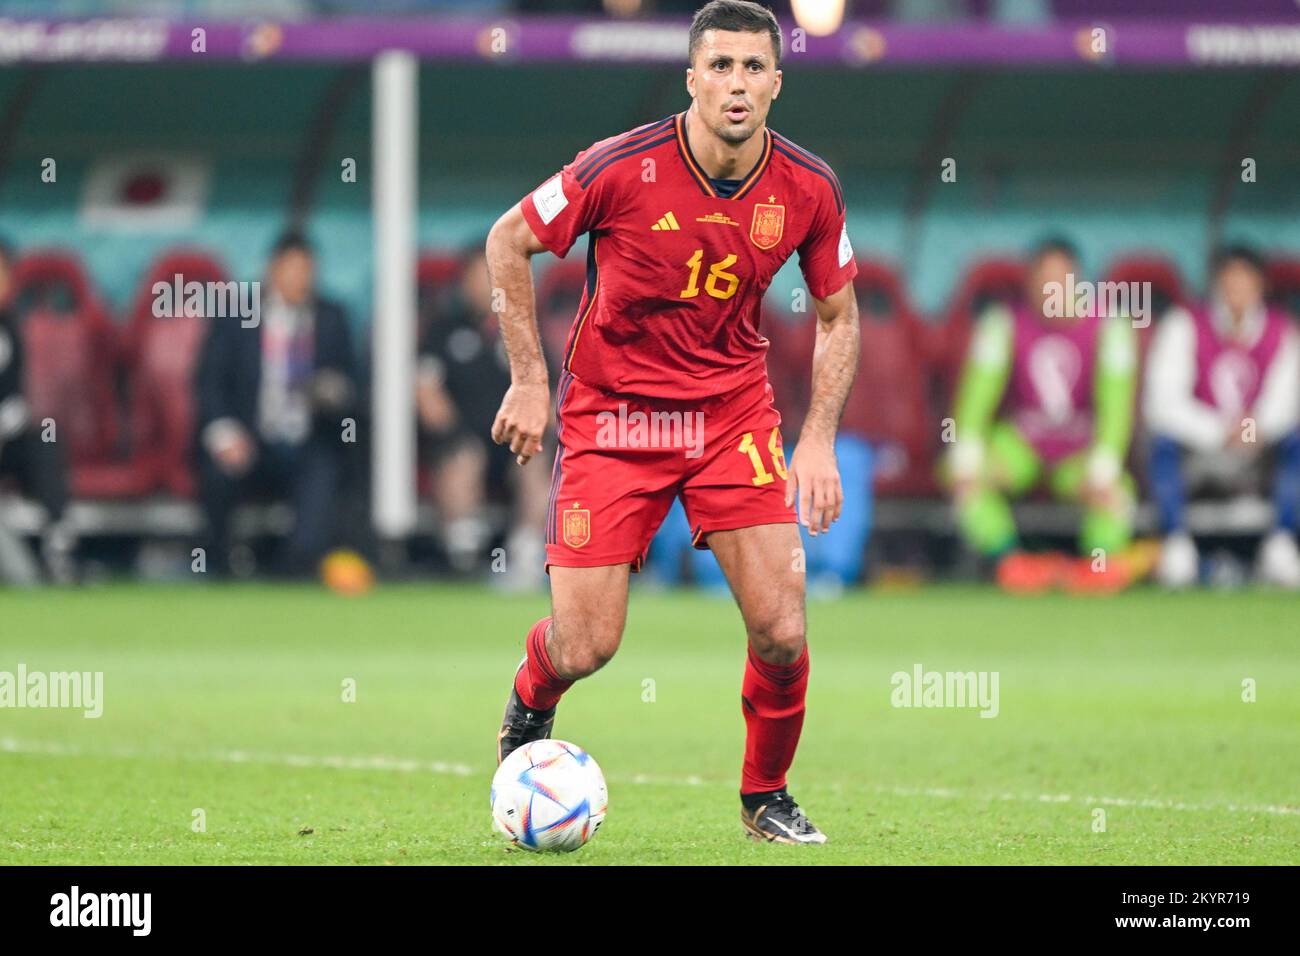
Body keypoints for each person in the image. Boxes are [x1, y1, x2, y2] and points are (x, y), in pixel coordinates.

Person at [484, 0, 860, 843]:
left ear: (776, 84)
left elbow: (840, 316)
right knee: (586, 646)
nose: (736, 83)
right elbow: (508, 240)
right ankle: (531, 701)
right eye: (719, 66)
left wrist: (819, 436)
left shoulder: (809, 188)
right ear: (691, 79)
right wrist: (528, 381)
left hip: (730, 418)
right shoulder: (617, 167)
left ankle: (766, 796)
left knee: (783, 628)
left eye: (753, 67)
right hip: (613, 421)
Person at [944, 237, 1138, 592]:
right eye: (1043, 280)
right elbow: (975, 403)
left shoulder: (1111, 326)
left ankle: (1098, 563)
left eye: (1061, 279)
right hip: (1022, 444)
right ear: (1029, 285)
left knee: (1116, 490)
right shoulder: (1002, 323)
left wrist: (1102, 470)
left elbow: (1117, 410)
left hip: (1082, 447)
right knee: (965, 479)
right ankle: (1009, 561)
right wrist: (969, 461)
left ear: (1078, 280)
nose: (1052, 290)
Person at [195, 230, 357, 576]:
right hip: (249, 435)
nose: (300, 279)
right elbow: (210, 382)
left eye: (307, 271)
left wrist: (334, 393)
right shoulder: (238, 315)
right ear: (272, 269)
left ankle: (296, 566)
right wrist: (225, 434)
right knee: (217, 469)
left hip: (307, 437)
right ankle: (219, 564)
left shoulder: (331, 318)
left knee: (326, 465)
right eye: (291, 269)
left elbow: (352, 383)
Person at [1145, 245, 1300, 588]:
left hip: (1258, 454)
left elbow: (1285, 402)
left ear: (1260, 286)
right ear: (1215, 283)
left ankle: (1281, 543)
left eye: (1244, 282)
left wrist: (1249, 430)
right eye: (1229, 281)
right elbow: (1162, 402)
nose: (1236, 291)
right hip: (1199, 452)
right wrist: (1220, 430)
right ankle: (1176, 544)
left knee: (1296, 441)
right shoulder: (1184, 325)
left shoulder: (1281, 332)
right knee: (1161, 443)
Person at [416, 246, 550, 588]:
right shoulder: (443, 331)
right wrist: (454, 436)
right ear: (463, 283)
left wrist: (545, 430)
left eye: (493, 278)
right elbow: (426, 391)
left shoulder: (524, 330)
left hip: (516, 440)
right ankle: (464, 562)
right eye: (479, 277)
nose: (487, 286)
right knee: (464, 459)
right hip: (464, 440)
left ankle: (525, 560)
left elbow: (551, 390)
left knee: (537, 462)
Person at [0, 238, 75, 583]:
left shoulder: (11, 327)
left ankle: (57, 545)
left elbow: (14, 393)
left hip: (5, 439)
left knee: (44, 440)